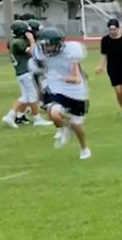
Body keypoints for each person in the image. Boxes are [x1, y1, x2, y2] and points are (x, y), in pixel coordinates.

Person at [31, 27, 91, 160]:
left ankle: (84, 148)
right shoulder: (41, 53)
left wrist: (64, 78)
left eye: (49, 44)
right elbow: (39, 68)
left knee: (77, 125)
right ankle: (63, 129)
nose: (46, 48)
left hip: (77, 92)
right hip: (58, 90)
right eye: (44, 45)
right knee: (54, 113)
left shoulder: (71, 53)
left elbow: (76, 77)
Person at [1, 20, 52, 128]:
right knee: (32, 95)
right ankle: (37, 118)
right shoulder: (18, 42)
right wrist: (32, 40)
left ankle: (10, 116)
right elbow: (33, 52)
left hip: (21, 73)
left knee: (25, 96)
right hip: (25, 72)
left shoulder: (14, 41)